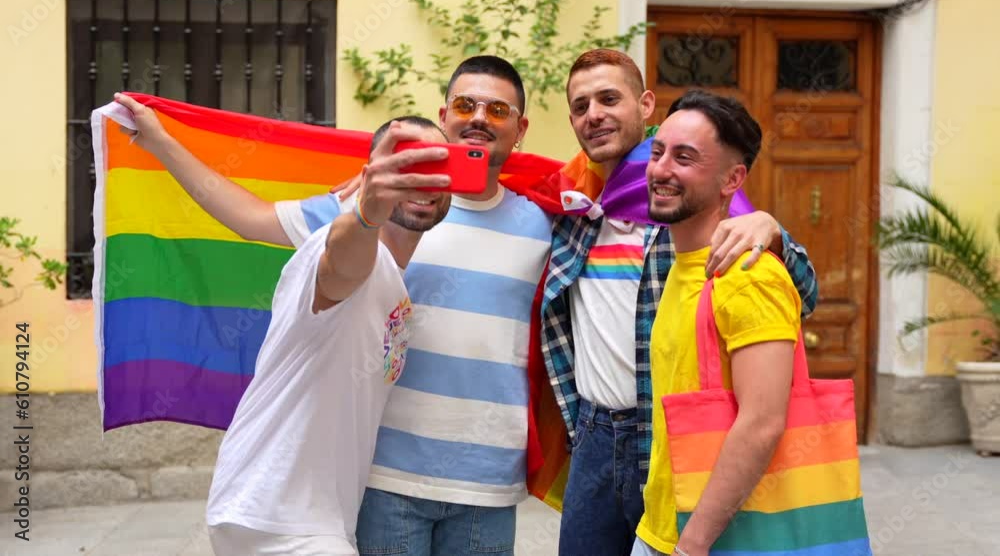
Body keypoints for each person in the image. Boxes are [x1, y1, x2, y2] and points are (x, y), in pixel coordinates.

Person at [118, 56, 551, 556]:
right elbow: (264, 225)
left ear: (520, 129)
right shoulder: (366, 209)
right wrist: (162, 143)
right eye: (465, 104)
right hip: (381, 478)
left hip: (484, 480)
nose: (479, 117)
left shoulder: (543, 220)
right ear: (445, 116)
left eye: (497, 109)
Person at [545, 49, 817, 556]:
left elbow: (800, 291)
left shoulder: (685, 198)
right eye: (581, 105)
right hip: (595, 433)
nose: (594, 114)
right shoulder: (569, 206)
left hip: (668, 431)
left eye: (609, 98)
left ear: (645, 104)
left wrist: (774, 232)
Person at [204, 117, 452, 555]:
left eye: (435, 165)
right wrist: (365, 213)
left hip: (301, 516)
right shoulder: (353, 250)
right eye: (404, 163)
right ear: (371, 173)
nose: (419, 178)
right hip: (279, 517)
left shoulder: (394, 276)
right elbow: (342, 264)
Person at [631, 90, 801, 556]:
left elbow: (763, 422)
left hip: (711, 539)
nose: (661, 169)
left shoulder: (749, 274)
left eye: (685, 158)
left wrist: (692, 544)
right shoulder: (676, 265)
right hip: (661, 527)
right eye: (658, 151)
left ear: (733, 179)